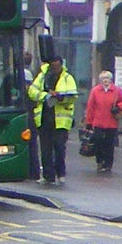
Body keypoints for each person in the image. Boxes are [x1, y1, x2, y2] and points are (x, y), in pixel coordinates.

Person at [29, 56, 78, 186]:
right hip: (44, 119)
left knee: (59, 148)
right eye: (53, 66)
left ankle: (61, 173)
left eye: (58, 67)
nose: (55, 69)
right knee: (45, 150)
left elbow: (73, 97)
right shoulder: (42, 76)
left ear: (62, 66)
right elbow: (32, 91)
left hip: (61, 122)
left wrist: (61, 98)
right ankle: (48, 176)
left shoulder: (68, 78)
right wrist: (46, 96)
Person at [82, 70, 122, 174]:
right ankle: (100, 161)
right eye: (104, 79)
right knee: (98, 142)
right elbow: (90, 107)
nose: (106, 81)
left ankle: (108, 164)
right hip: (98, 122)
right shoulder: (95, 91)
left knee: (109, 144)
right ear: (101, 80)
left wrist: (119, 107)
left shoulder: (116, 90)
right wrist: (89, 121)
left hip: (111, 122)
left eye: (108, 79)